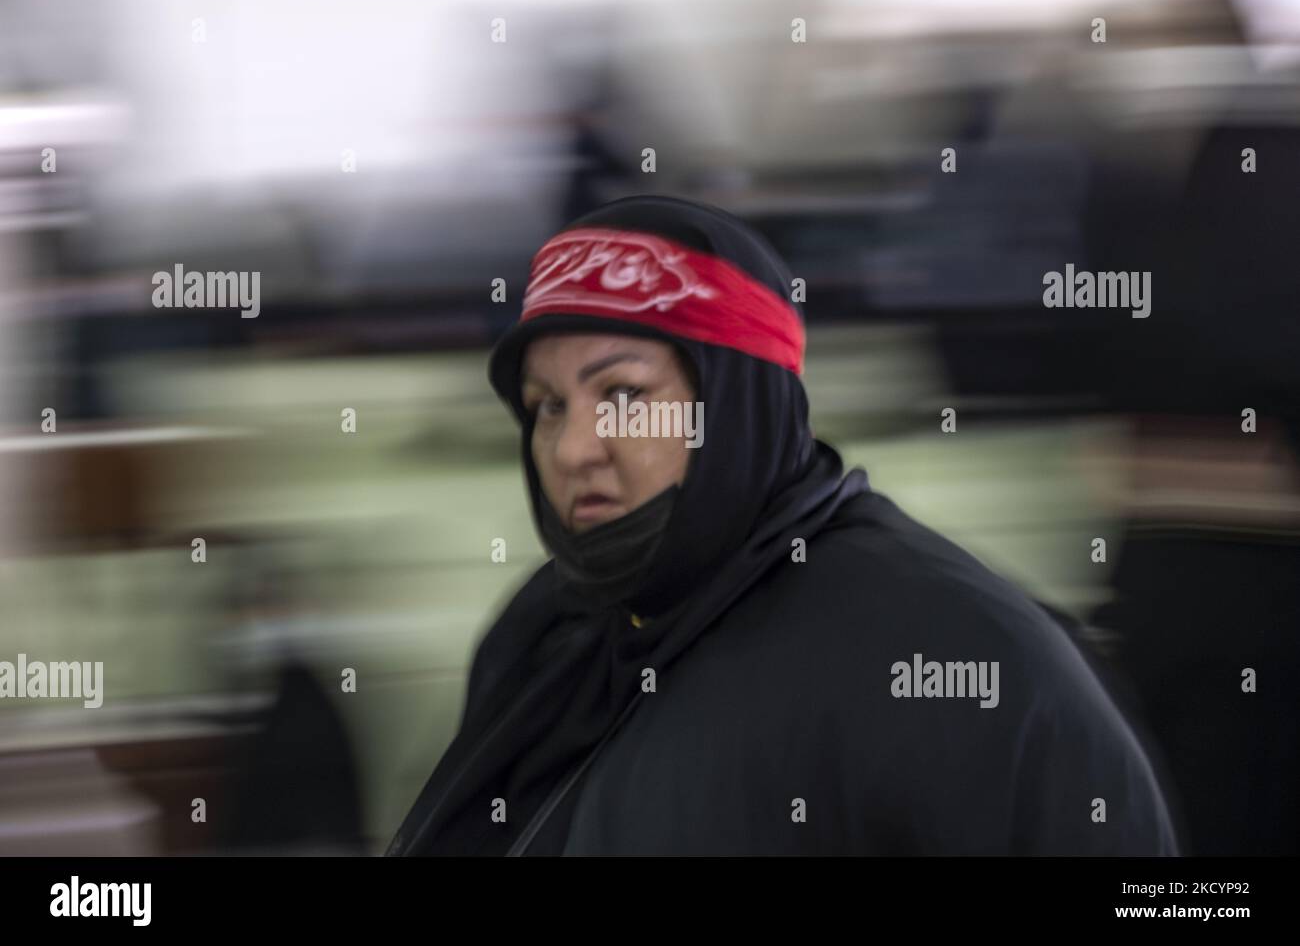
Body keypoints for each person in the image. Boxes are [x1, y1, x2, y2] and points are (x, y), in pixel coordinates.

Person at [387, 194, 1178, 856]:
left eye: (625, 395)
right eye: (547, 406)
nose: (574, 448)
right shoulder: (546, 638)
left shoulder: (940, 651)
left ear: (739, 403)